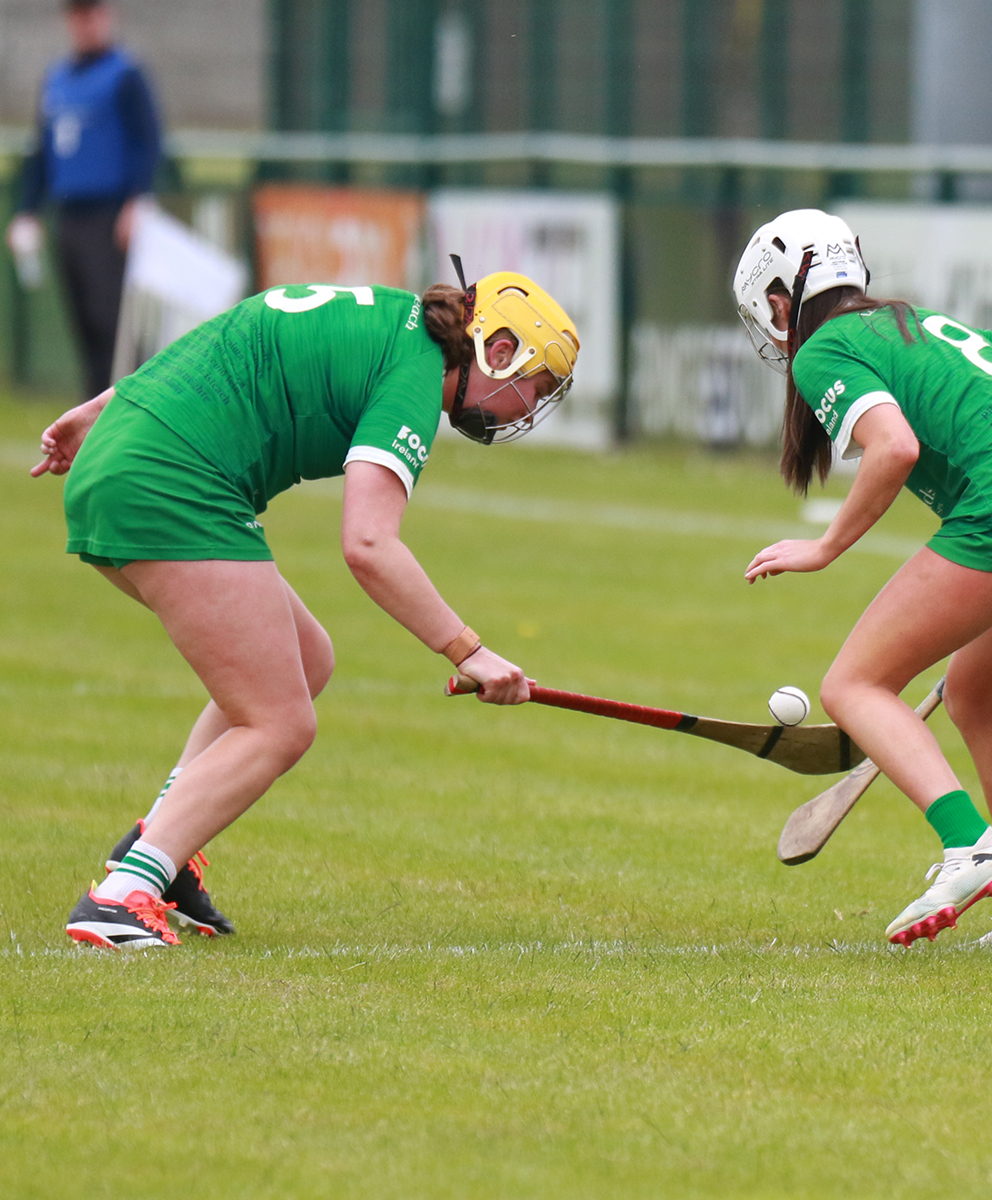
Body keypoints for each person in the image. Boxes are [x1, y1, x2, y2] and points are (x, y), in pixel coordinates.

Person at [31, 268, 580, 949]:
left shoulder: (385, 318)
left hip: (132, 454)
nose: (530, 406)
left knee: (307, 658)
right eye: (538, 385)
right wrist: (468, 650)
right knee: (281, 723)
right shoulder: (413, 372)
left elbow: (230, 335)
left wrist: (104, 407)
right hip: (168, 482)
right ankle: (122, 895)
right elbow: (369, 545)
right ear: (497, 351)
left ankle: (163, 847)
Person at [733, 210, 992, 948]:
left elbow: (892, 448)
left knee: (853, 685)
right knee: (979, 697)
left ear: (784, 301)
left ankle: (972, 846)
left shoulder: (823, 349)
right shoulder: (918, 321)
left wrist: (826, 547)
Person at [7, 0, 162, 397]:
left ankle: (132, 407)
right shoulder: (57, 78)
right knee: (82, 321)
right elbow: (42, 148)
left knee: (112, 319)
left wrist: (138, 200)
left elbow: (146, 140)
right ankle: (92, 412)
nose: (85, 23)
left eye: (92, 13)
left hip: (109, 214)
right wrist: (27, 210)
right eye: (78, 15)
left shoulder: (124, 74)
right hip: (69, 213)